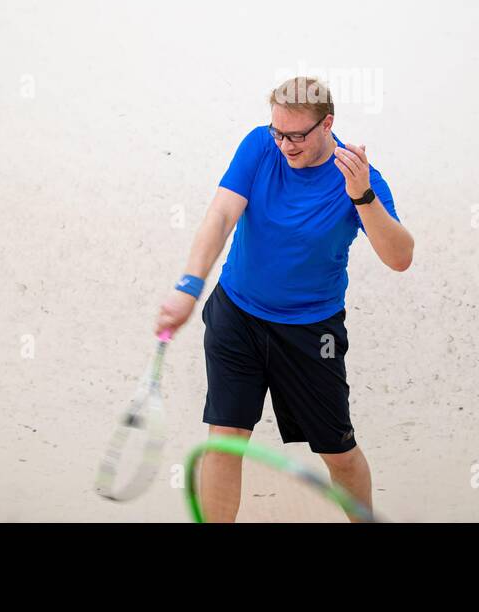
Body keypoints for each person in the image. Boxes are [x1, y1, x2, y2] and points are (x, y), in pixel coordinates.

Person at [156, 77, 412, 521]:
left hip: (313, 333)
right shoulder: (261, 147)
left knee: (339, 452)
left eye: (296, 135)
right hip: (237, 315)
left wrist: (363, 197)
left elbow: (400, 257)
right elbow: (220, 216)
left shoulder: (357, 176)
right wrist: (188, 288)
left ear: (327, 124)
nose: (286, 145)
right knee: (225, 437)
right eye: (279, 132)